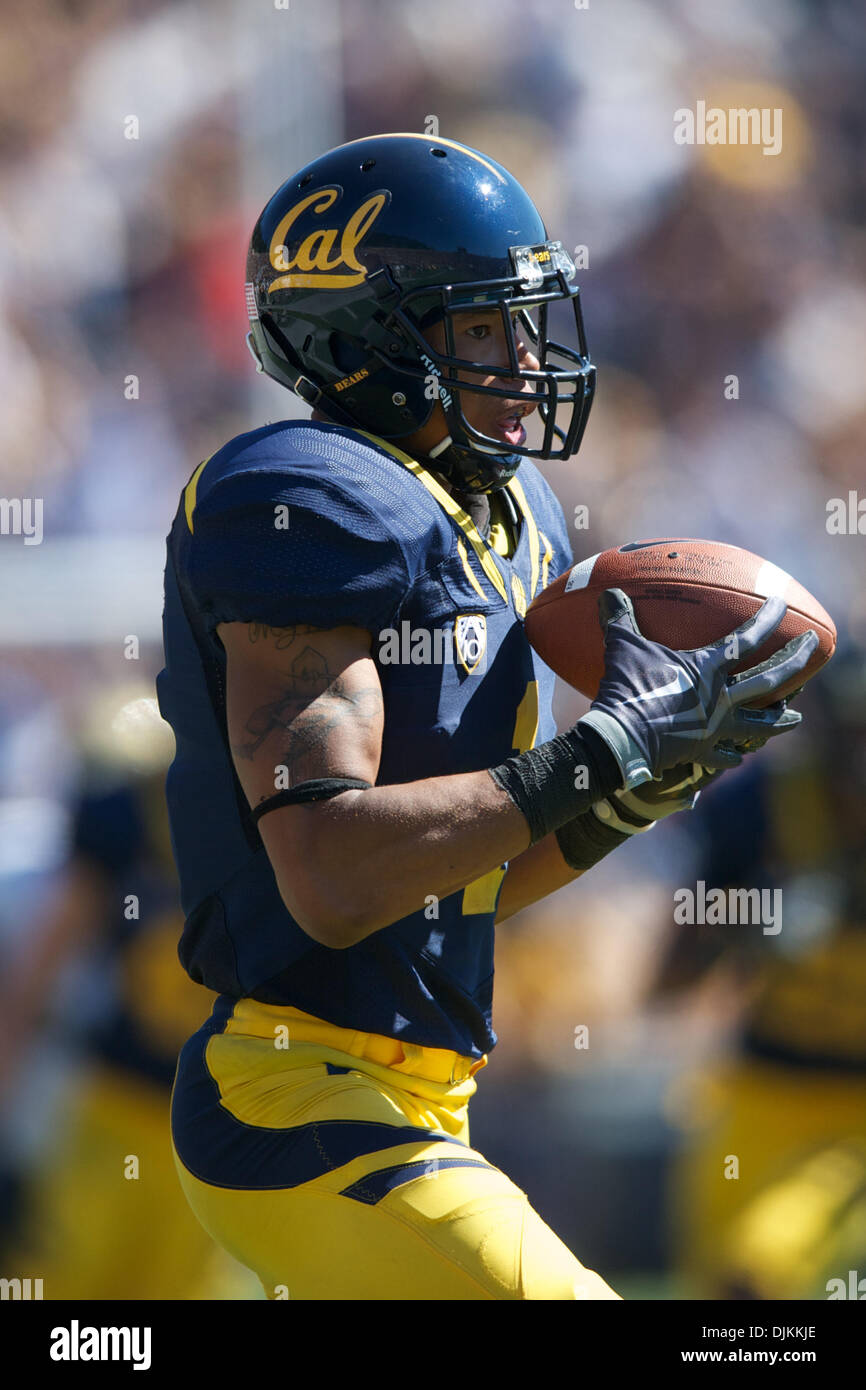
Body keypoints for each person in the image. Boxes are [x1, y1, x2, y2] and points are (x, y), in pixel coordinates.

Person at [159, 133, 814, 1299]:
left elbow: (458, 878)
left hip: (419, 1095)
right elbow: (331, 872)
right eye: (477, 327)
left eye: (523, 318)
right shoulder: (310, 500)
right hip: (292, 1091)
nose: (520, 356)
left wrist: (625, 793)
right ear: (364, 338)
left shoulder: (506, 514)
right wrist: (595, 751)